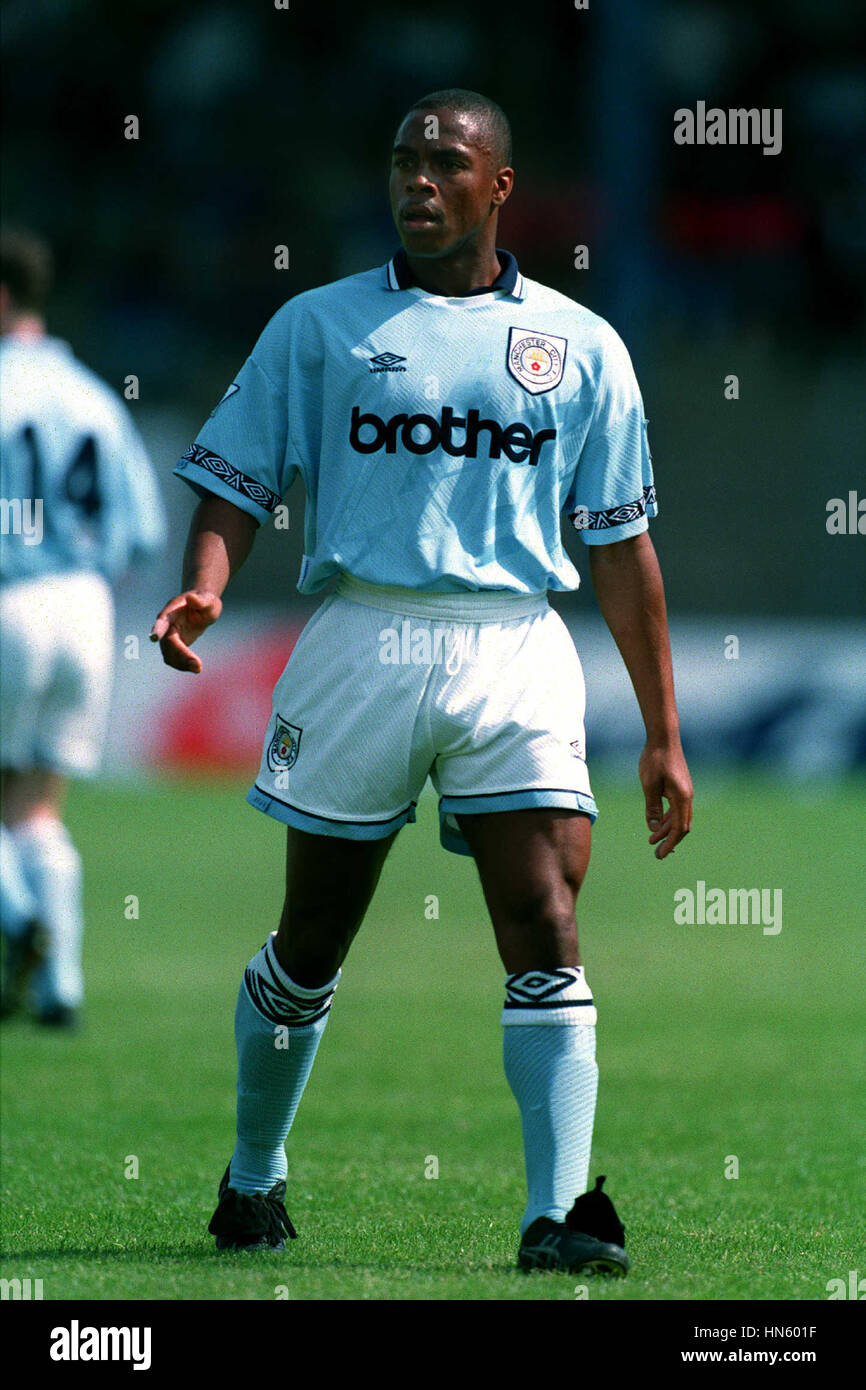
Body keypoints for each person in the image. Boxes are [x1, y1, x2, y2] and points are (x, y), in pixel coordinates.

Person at [152, 89, 692, 1275]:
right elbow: (235, 482)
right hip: (363, 639)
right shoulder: (319, 326)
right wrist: (204, 583)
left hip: (514, 643)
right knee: (311, 944)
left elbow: (619, 548)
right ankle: (254, 1176)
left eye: (445, 162)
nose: (418, 181)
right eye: (403, 161)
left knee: (545, 919)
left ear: (500, 185)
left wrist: (662, 730)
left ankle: (556, 1215)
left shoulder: (582, 345)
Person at [0, 227, 166, 1026]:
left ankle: (15, 921)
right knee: (36, 804)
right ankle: (59, 979)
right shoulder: (94, 394)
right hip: (85, 607)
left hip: (6, 596)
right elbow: (140, 532)